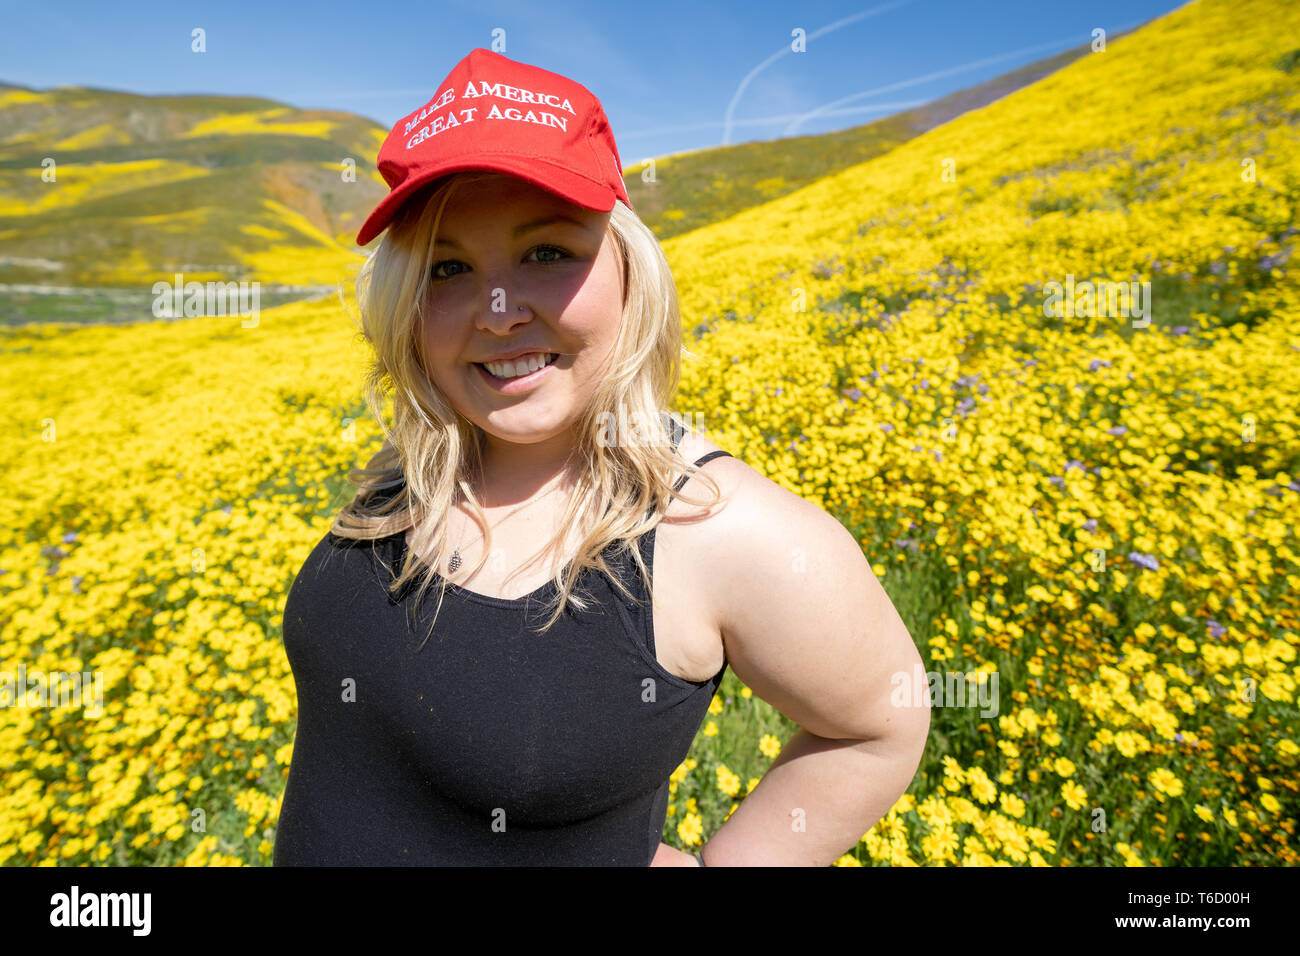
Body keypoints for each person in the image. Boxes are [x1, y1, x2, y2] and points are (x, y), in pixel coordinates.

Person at [273, 48, 929, 867]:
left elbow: (881, 723)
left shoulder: (716, 529)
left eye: (546, 252)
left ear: (631, 271)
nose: (499, 311)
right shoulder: (419, 464)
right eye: (448, 268)